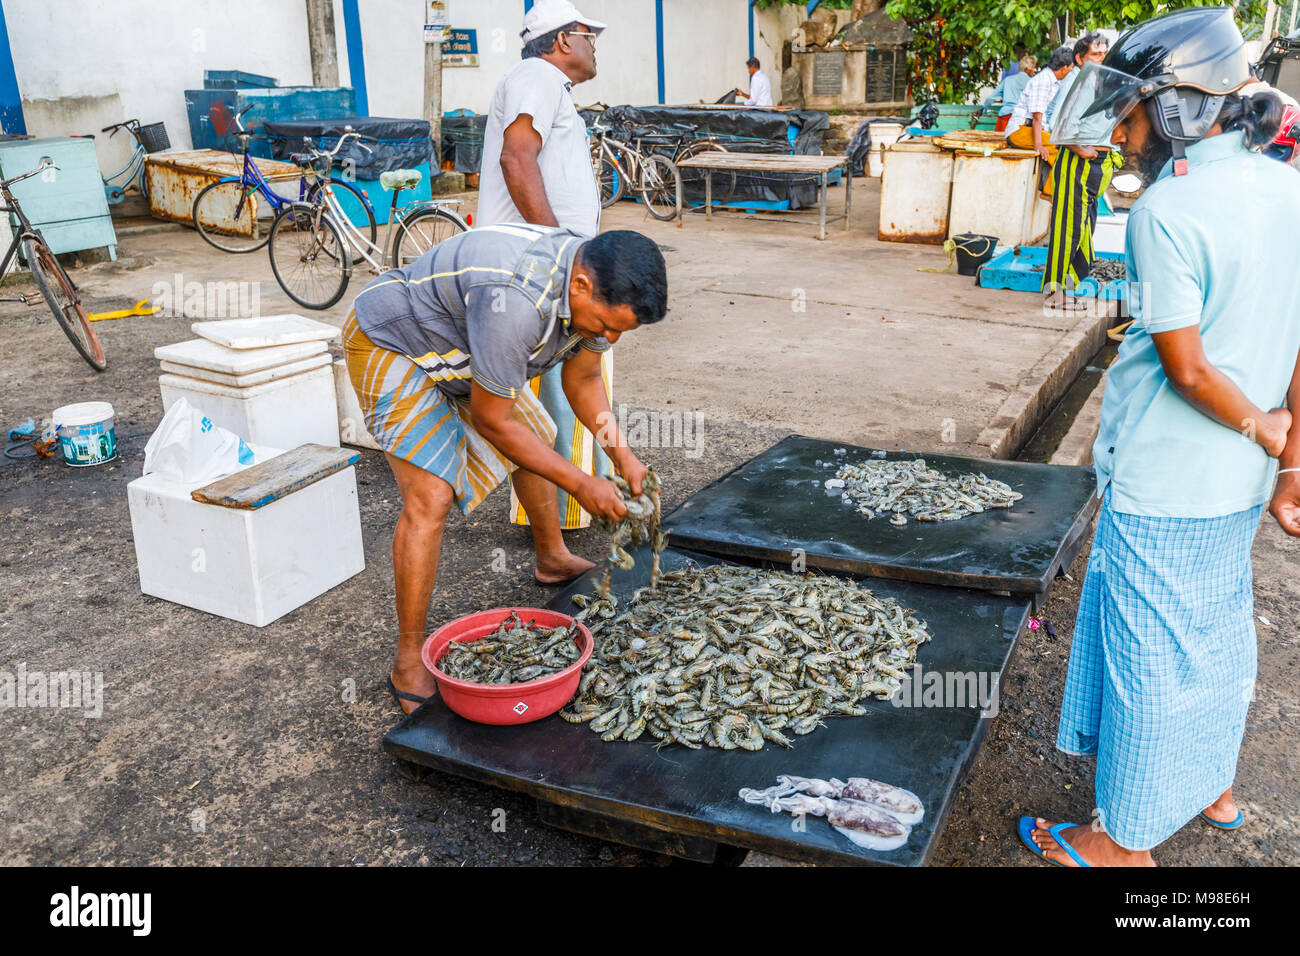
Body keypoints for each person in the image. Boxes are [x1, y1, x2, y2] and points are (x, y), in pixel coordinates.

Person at [1018, 6, 1300, 867]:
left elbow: (1188, 370)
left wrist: (1263, 431)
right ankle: (1211, 784)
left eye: (1131, 110)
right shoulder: (1289, 189)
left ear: (1178, 106)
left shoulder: (1168, 210)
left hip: (1169, 477)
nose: (1120, 130)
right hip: (1239, 486)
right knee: (1215, 631)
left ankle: (1122, 842)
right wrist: (1288, 457)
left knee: (1149, 658)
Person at [342, 226, 668, 712]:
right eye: (606, 325)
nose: (610, 336)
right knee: (431, 497)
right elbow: (494, 420)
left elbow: (582, 380)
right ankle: (408, 660)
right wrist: (580, 483)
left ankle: (552, 558)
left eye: (621, 330)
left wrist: (623, 456)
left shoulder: (596, 283)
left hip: (462, 346)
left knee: (538, 439)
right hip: (396, 341)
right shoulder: (517, 299)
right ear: (579, 285)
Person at [478, 0, 616, 532]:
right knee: (544, 405)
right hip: (537, 271)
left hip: (559, 270)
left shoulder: (550, 86)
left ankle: (571, 519)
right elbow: (518, 157)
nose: (592, 45)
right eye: (587, 35)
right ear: (561, 41)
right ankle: (556, 529)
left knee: (567, 392)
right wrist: (558, 251)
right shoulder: (536, 74)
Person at [1040, 32, 1122, 309]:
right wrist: (1082, 150)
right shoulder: (1081, 79)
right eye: (1096, 54)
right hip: (1079, 162)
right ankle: (1055, 294)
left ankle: (1070, 288)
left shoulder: (1095, 81)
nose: (1101, 58)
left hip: (1094, 162)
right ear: (1080, 57)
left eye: (1103, 53)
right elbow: (1059, 124)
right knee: (1068, 229)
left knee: (1084, 228)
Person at [1006, 45, 1075, 188]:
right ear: (1063, 68)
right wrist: (1039, 145)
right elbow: (1037, 117)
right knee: (1062, 151)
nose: (1071, 71)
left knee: (1064, 147)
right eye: (1071, 68)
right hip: (1019, 130)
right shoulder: (1043, 81)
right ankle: (1050, 192)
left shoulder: (1054, 81)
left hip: (1031, 129)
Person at [983, 54, 1037, 132]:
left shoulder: (1008, 80)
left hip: (1003, 116)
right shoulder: (1032, 82)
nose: (1034, 70)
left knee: (997, 142)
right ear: (1027, 69)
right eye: (1033, 67)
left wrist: (984, 110)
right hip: (1019, 120)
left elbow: (990, 98)